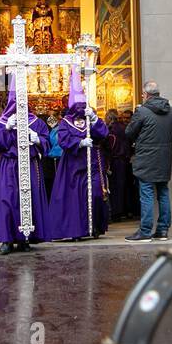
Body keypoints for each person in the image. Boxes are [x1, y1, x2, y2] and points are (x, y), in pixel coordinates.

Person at [0, 72, 52, 254]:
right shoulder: (2, 122)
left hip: (30, 165)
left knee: (29, 200)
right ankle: (6, 239)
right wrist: (6, 129)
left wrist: (37, 139)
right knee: (7, 200)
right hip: (9, 165)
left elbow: (47, 143)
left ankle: (26, 238)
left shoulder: (37, 122)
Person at [50, 69, 110, 241]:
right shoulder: (65, 123)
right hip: (73, 164)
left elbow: (103, 133)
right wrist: (79, 143)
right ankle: (77, 229)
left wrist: (94, 119)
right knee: (74, 197)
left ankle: (94, 226)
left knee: (96, 194)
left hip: (93, 163)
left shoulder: (91, 117)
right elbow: (63, 140)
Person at [124, 81, 172, 241]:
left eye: (142, 94)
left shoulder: (142, 112)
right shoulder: (171, 111)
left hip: (146, 159)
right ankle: (162, 230)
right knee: (163, 192)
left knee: (146, 194)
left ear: (146, 95)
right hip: (164, 158)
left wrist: (136, 115)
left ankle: (145, 231)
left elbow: (129, 133)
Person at [105, 109, 129, 221]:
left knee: (114, 187)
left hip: (115, 160)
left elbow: (110, 147)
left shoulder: (111, 130)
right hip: (123, 159)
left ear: (109, 118)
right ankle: (121, 211)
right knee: (121, 186)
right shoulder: (123, 128)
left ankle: (115, 212)